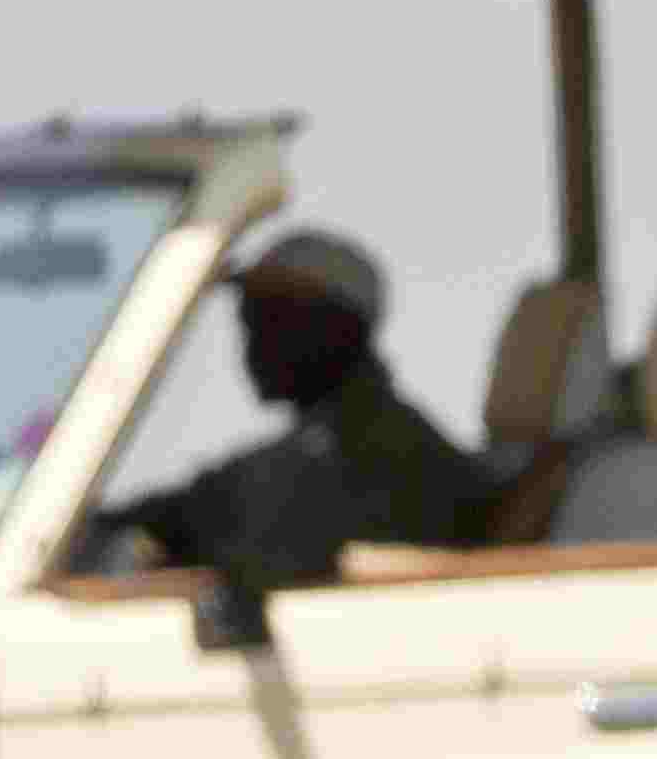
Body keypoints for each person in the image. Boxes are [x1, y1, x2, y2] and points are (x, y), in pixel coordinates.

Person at [100, 229, 498, 589]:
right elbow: (197, 507)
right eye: (248, 322)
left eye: (274, 322)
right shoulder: (345, 439)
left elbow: (241, 522)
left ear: (341, 331)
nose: (252, 345)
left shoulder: (381, 452)